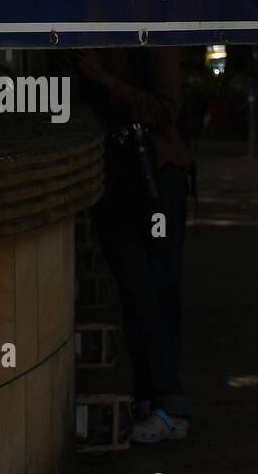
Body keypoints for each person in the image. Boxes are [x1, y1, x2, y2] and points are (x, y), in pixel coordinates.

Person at [73, 47, 194, 443]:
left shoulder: (155, 30)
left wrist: (102, 79)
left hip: (154, 175)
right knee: (134, 291)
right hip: (112, 176)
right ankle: (151, 399)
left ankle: (168, 404)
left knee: (155, 290)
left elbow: (165, 110)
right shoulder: (89, 27)